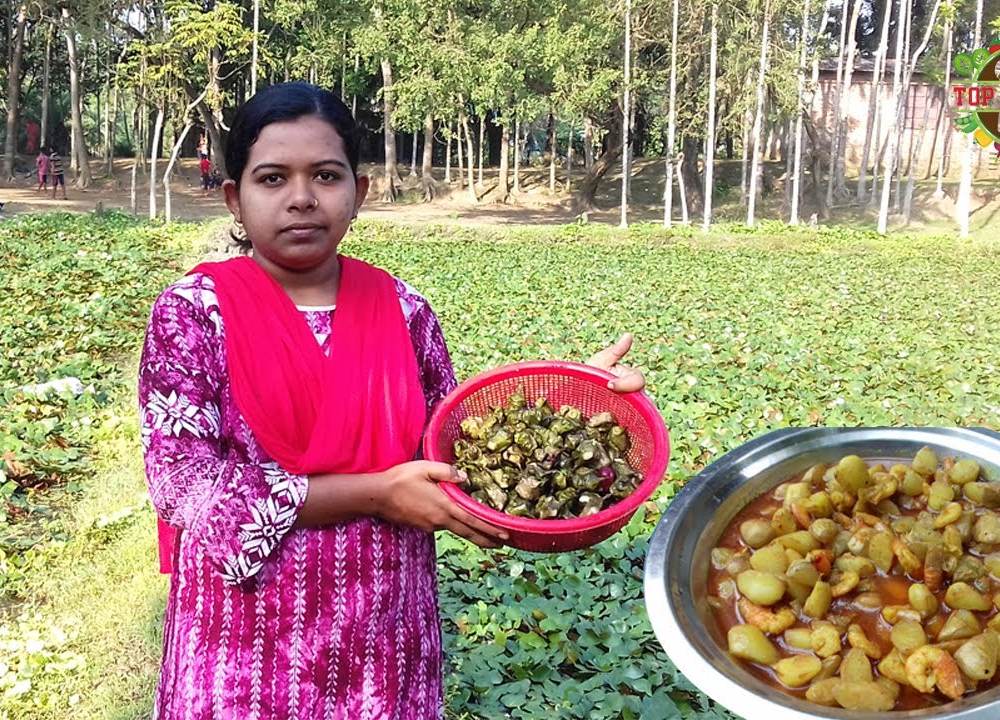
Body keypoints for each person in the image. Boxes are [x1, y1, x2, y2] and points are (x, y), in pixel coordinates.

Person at [138, 82, 647, 720]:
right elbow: (183, 482)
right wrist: (375, 493)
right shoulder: (194, 315)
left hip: (382, 635)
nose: (301, 198)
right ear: (235, 200)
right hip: (245, 643)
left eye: (326, 175)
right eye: (272, 179)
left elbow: (453, 441)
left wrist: (572, 397)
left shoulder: (403, 312)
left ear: (361, 192)